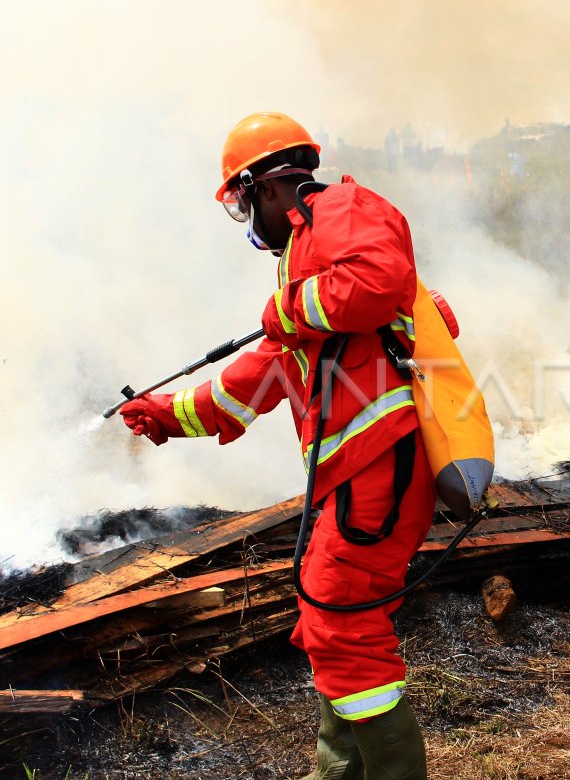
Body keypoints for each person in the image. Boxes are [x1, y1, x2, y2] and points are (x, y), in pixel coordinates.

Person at [120, 112, 433, 779]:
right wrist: (163, 415)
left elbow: (378, 281)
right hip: (354, 476)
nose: (245, 219)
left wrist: (286, 309)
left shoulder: (340, 206)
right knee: (327, 618)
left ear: (263, 187)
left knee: (343, 626)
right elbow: (250, 383)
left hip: (379, 463)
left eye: (240, 202)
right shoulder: (305, 259)